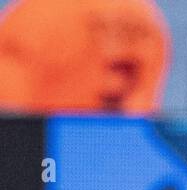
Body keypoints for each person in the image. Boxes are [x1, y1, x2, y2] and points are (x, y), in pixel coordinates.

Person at [0, 0, 169, 116]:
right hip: (125, 154)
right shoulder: (146, 16)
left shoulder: (31, 18)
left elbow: (11, 118)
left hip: (48, 153)